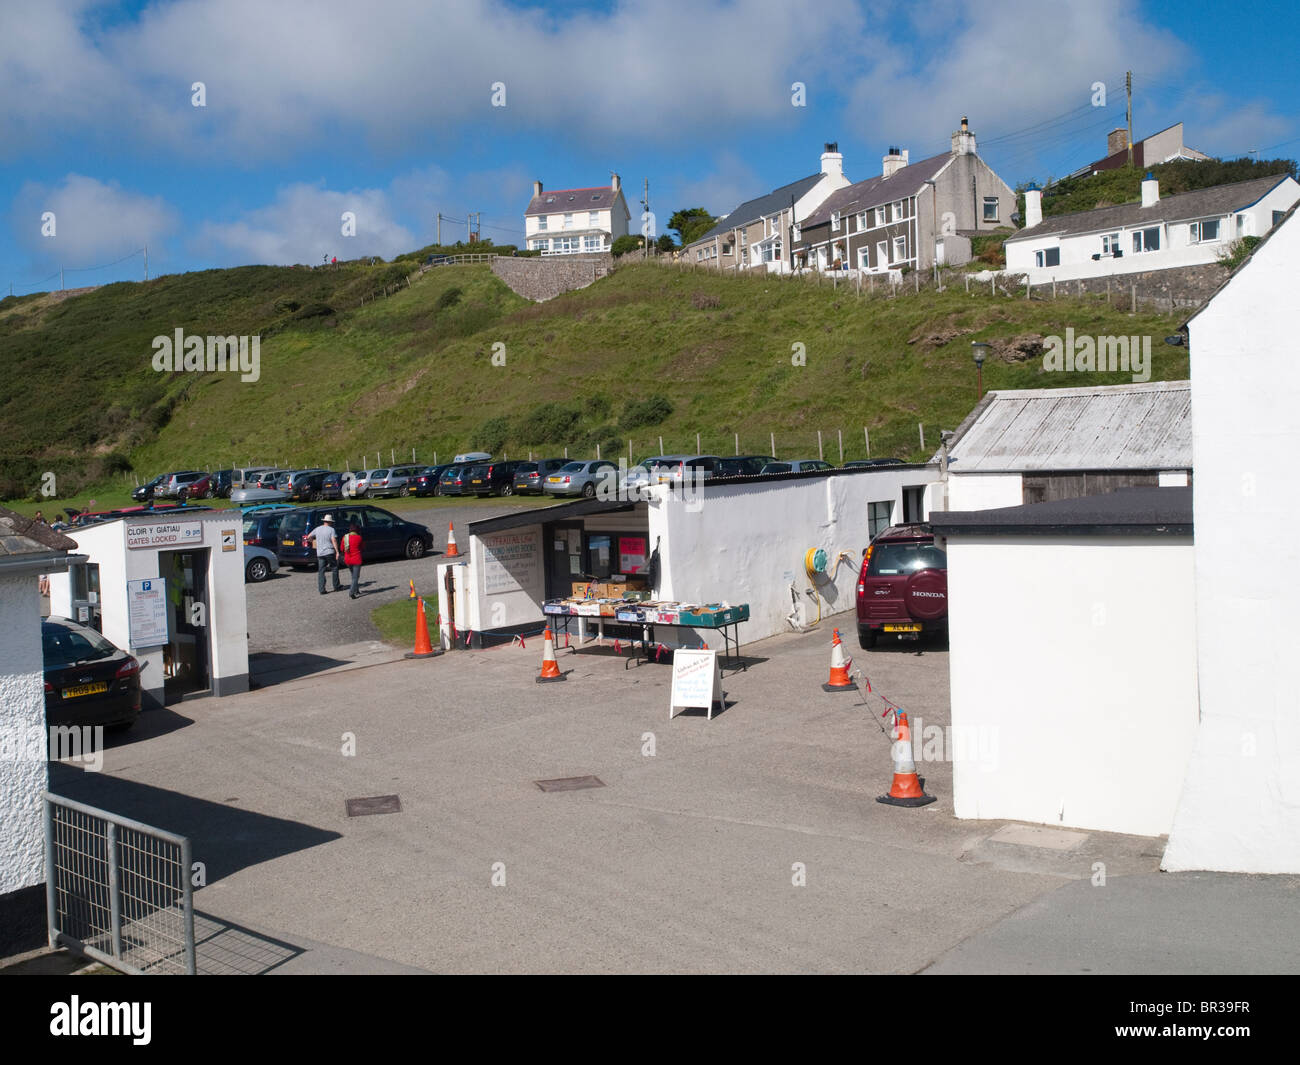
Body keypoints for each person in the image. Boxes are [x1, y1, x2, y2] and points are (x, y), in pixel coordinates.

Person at [307, 514, 343, 594]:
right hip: (329, 552)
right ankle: (336, 586)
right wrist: (337, 551)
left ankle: (322, 589)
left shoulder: (317, 529)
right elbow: (334, 540)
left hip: (320, 553)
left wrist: (312, 541)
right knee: (334, 568)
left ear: (324, 521)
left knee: (321, 571)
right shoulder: (331, 530)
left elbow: (308, 537)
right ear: (330, 522)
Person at [341, 520, 364, 599]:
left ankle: (356, 590)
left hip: (348, 559)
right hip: (356, 559)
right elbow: (362, 548)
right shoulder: (359, 538)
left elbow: (342, 548)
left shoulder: (345, 537)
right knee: (355, 577)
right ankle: (351, 592)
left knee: (353, 576)